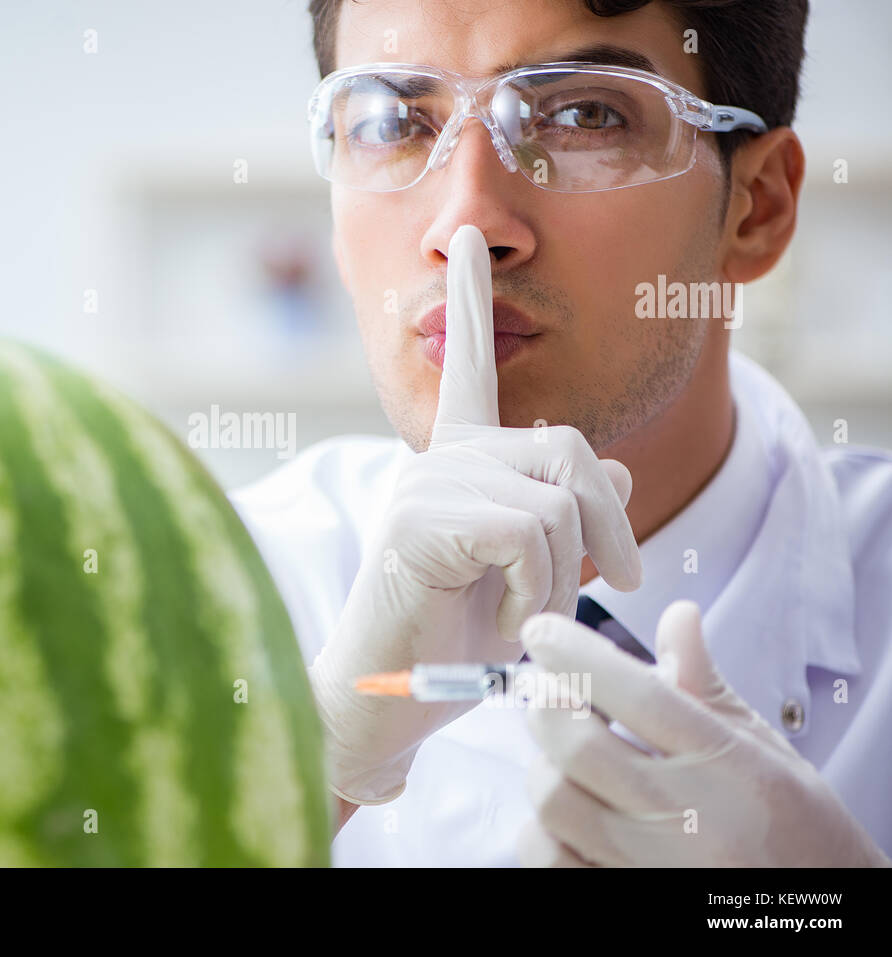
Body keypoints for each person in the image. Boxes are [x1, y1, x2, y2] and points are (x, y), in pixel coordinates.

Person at [228, 0, 892, 866]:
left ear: (756, 206)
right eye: (394, 120)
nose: (465, 223)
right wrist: (321, 761)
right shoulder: (226, 582)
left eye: (584, 115)